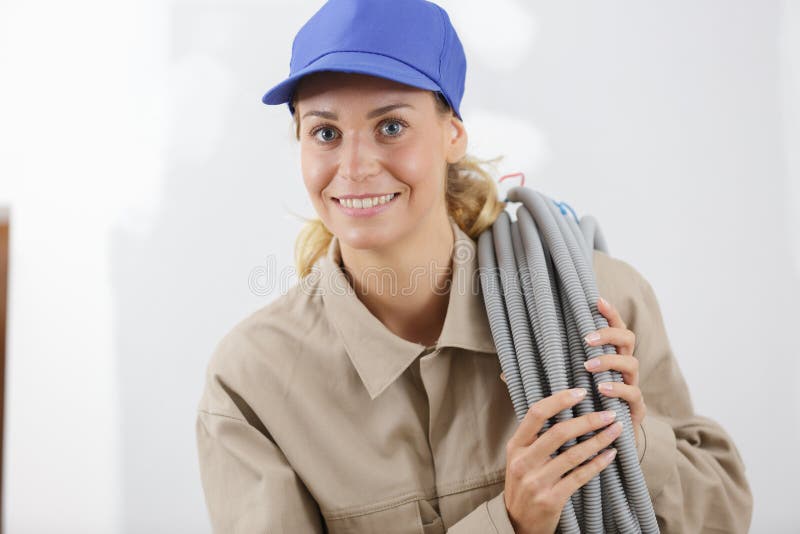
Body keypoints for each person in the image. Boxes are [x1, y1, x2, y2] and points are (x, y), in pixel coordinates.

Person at [195, 1, 753, 532]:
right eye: (326, 133)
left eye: (391, 126)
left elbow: (727, 516)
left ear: (453, 133)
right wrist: (508, 523)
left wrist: (633, 447)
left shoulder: (598, 303)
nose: (355, 166)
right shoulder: (250, 384)